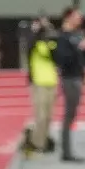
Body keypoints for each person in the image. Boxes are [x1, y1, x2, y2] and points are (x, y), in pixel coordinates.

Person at [52, 7, 85, 163]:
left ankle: (67, 150)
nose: (80, 19)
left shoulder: (74, 36)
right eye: (77, 16)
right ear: (68, 17)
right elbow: (62, 59)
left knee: (72, 114)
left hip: (75, 77)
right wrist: (79, 47)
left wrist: (84, 75)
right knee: (69, 114)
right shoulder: (63, 37)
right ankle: (66, 151)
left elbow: (79, 60)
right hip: (69, 78)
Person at [24, 17, 58, 154]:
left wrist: (48, 27)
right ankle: (37, 143)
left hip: (51, 82)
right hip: (38, 83)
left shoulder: (50, 44)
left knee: (48, 116)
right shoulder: (33, 44)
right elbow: (29, 43)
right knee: (41, 116)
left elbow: (57, 49)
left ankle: (43, 141)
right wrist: (35, 30)